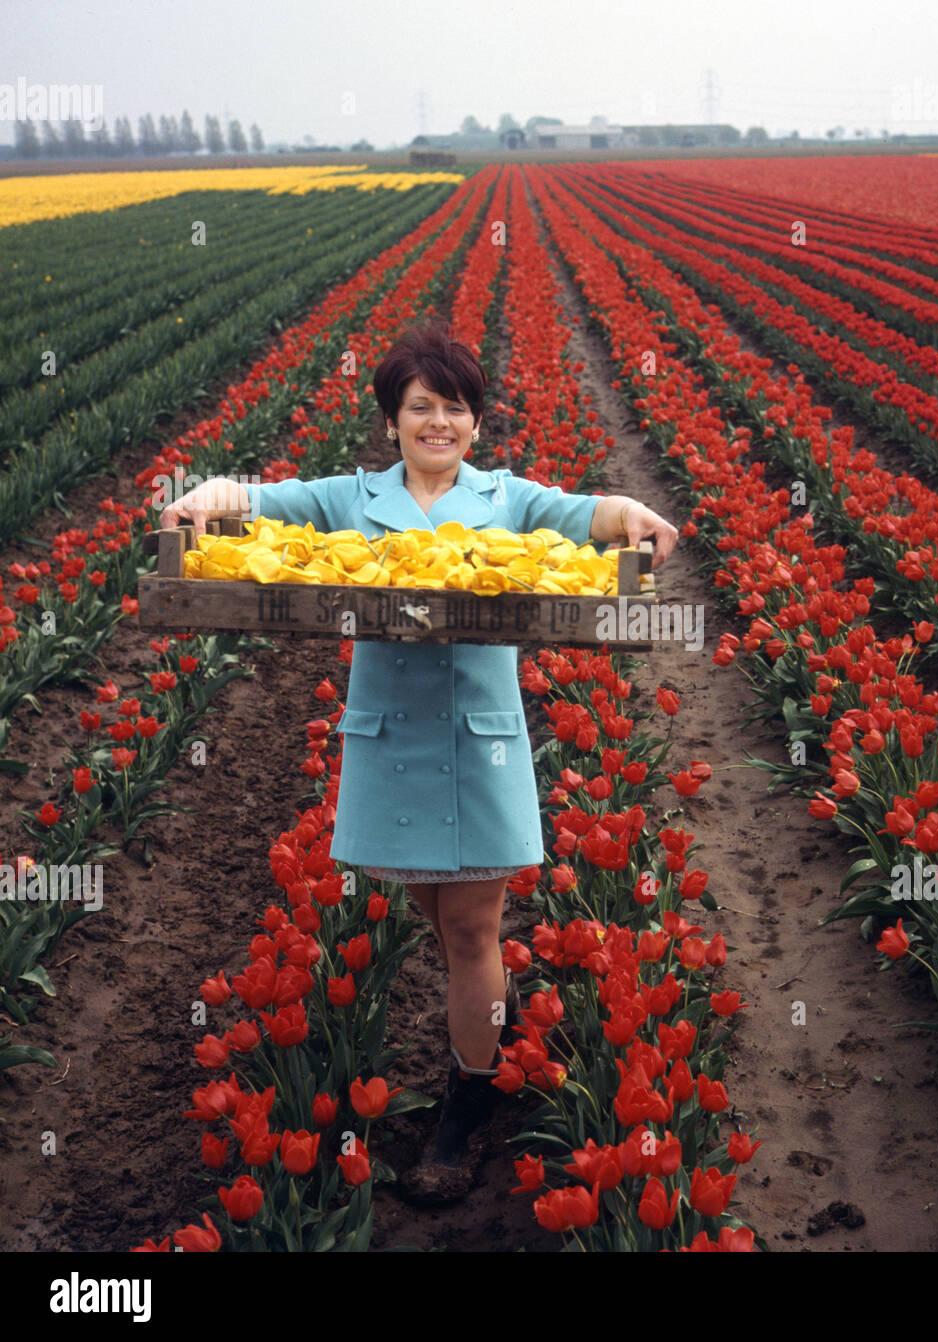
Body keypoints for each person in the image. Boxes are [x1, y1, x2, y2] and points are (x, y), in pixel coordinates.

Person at [159, 314, 678, 1201]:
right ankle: (493, 1046)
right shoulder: (347, 499)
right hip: (392, 742)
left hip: (483, 750)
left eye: (455, 409)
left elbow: (586, 513)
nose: (439, 423)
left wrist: (635, 512)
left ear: (476, 422)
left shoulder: (505, 498)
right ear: (392, 419)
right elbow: (262, 500)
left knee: (475, 931)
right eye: (420, 407)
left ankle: (468, 1107)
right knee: (440, 926)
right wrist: (203, 493)